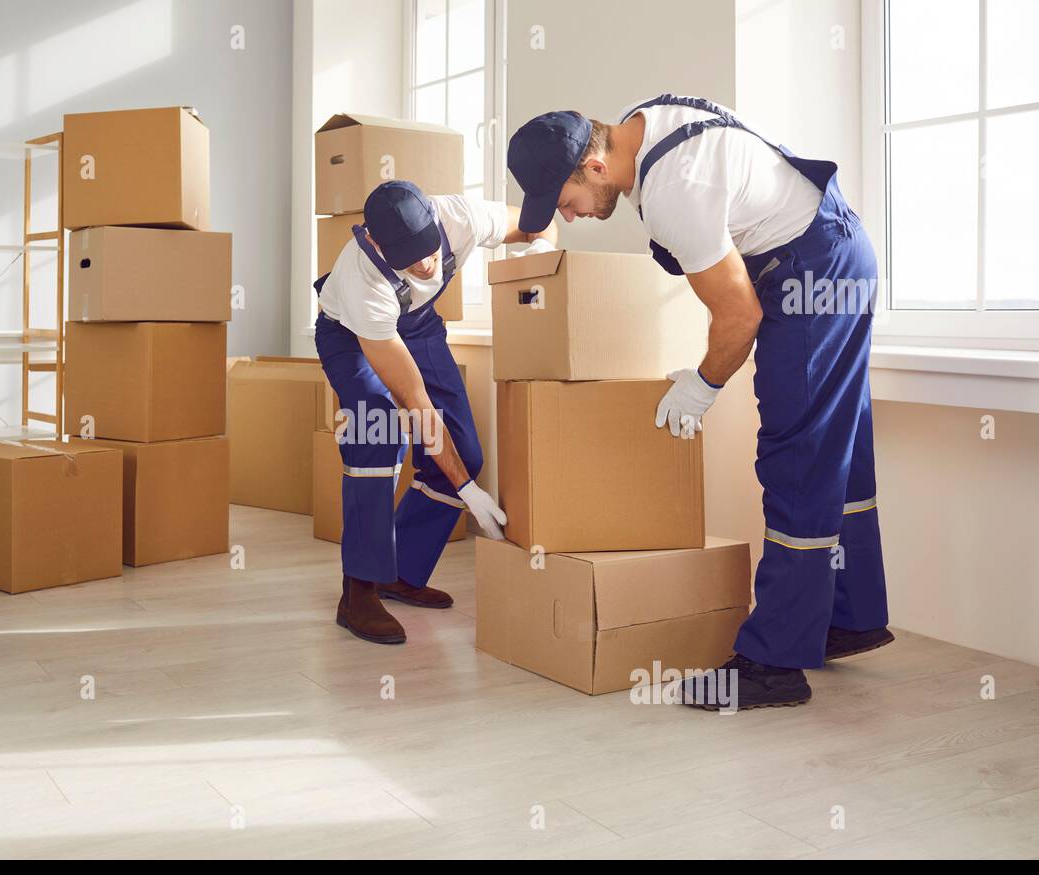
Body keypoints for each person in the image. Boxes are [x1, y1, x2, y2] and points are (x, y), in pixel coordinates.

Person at [506, 95, 891, 709]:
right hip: (832, 253)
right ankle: (850, 613)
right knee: (837, 446)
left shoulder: (673, 192)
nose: (570, 217)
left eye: (565, 201)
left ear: (596, 167)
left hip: (812, 273)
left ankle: (775, 663)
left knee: (798, 455)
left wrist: (704, 385)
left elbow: (739, 315)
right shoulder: (651, 118)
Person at [315, 180, 556, 645]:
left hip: (420, 325)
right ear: (376, 243)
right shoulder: (364, 280)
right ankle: (358, 592)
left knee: (466, 451)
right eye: (411, 258)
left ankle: (398, 569)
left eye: (429, 251)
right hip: (353, 335)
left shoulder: (462, 216)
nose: (427, 265)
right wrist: (469, 491)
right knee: (378, 436)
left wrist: (539, 253)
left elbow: (539, 222)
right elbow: (417, 405)